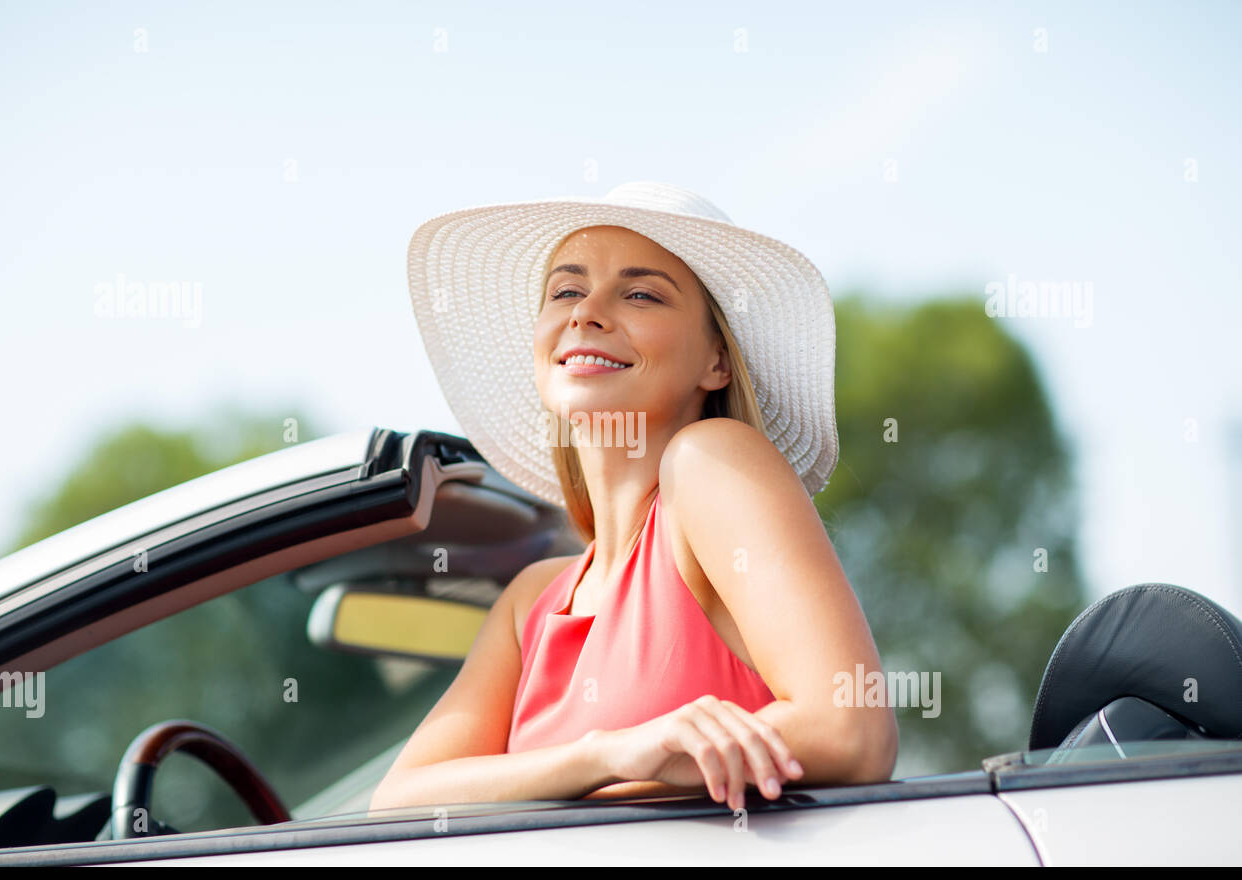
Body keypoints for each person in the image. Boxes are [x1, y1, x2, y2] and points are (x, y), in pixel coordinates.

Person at [370, 181, 897, 813]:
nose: (584, 313)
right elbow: (399, 801)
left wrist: (634, 763)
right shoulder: (532, 600)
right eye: (566, 290)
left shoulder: (711, 461)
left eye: (641, 293)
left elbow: (853, 732)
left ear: (717, 363)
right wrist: (608, 753)